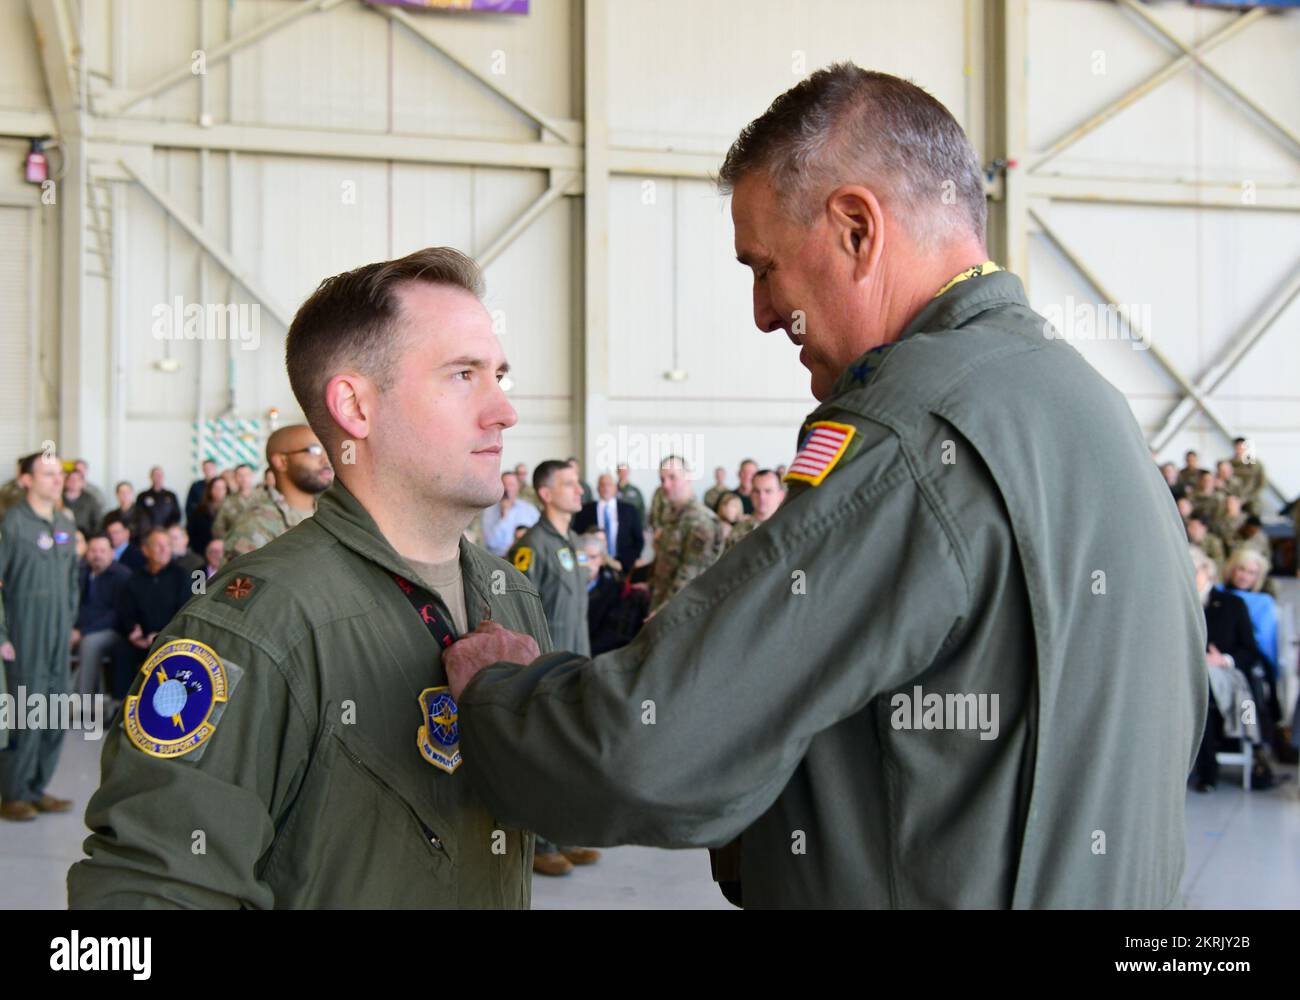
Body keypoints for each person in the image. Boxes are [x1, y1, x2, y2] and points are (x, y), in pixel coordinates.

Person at [440, 65, 1206, 909]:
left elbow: (653, 750)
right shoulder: (1091, 411)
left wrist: (498, 699)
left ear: (855, 228)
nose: (765, 312)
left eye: (765, 266)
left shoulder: (909, 433)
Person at [69, 246, 552, 909]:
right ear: (355, 407)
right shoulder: (255, 629)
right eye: (464, 374)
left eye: (500, 374)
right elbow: (150, 894)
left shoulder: (511, 598)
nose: (505, 410)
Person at [506, 460, 602, 878]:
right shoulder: (532, 545)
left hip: (576, 662)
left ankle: (564, 833)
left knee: (569, 751)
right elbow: (515, 607)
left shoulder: (574, 542)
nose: (579, 490)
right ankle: (539, 842)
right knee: (544, 754)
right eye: (568, 484)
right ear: (545, 494)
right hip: (544, 668)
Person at [0, 451, 80, 822]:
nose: (56, 479)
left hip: (57, 632)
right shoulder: (12, 524)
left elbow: (71, 580)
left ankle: (36, 786)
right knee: (26, 710)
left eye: (58, 474)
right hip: (23, 630)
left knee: (55, 709)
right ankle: (14, 793)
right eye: (47, 474)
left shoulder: (65, 522)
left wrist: (70, 622)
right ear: (26, 480)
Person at [1190, 546, 1274, 791]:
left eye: (1195, 570)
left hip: (1223, 675)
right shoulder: (1177, 603)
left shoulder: (1232, 604)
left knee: (1199, 690)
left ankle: (1208, 772)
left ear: (1207, 571)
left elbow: (1250, 651)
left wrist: (1224, 660)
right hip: (1188, 675)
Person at [222, 425, 334, 564]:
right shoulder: (255, 525)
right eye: (314, 450)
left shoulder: (331, 515)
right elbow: (238, 584)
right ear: (282, 462)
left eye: (327, 450)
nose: (326, 459)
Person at [109, 527, 194, 700]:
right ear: (145, 550)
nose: (164, 550)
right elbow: (124, 610)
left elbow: (186, 612)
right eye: (158, 545)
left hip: (170, 638)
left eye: (168, 545)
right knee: (120, 650)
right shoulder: (134, 578)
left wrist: (161, 634)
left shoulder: (182, 576)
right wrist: (133, 630)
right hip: (141, 641)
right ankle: (121, 706)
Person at [648, 456, 722, 615]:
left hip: (681, 614)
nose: (665, 485)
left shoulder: (700, 520)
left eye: (672, 477)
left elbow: (690, 576)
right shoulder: (672, 517)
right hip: (661, 605)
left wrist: (663, 612)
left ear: (688, 477)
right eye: (662, 479)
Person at [73, 535, 131, 699]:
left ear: (112, 553)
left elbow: (116, 615)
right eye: (93, 551)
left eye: (102, 551)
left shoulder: (122, 575)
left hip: (111, 631)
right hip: (79, 629)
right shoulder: (81, 573)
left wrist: (82, 632)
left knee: (90, 644)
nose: (97, 555)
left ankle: (82, 703)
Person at [573, 472, 644, 575]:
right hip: (593, 568)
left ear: (615, 488)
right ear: (597, 489)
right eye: (602, 484)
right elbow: (578, 538)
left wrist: (626, 563)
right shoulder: (585, 510)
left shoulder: (629, 510)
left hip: (623, 567)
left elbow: (638, 541)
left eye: (609, 484)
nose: (606, 488)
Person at [479, 471, 539, 558]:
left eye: (511, 484)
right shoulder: (489, 510)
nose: (507, 489)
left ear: (518, 487)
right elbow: (491, 543)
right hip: (500, 559)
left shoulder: (529, 509)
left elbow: (539, 535)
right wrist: (504, 516)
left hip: (527, 557)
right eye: (504, 484)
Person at [725, 468, 785, 552]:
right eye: (756, 491)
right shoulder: (738, 530)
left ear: (781, 496)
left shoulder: (788, 528)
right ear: (750, 495)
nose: (761, 497)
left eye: (768, 491)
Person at [212, 463, 257, 540]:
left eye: (247, 475)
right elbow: (218, 528)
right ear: (235, 477)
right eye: (240, 475)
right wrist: (230, 543)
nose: (244, 479)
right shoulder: (227, 501)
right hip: (235, 547)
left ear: (252, 476)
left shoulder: (265, 498)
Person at [186, 475, 228, 557]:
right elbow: (191, 533)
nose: (219, 491)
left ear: (226, 490)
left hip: (226, 555)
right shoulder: (200, 511)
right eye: (216, 487)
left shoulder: (232, 511)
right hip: (203, 554)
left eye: (222, 488)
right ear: (210, 490)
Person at [1229, 437, 1266, 517]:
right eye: (1237, 446)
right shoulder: (1229, 464)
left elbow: (1261, 482)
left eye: (1241, 446)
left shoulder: (1254, 463)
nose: (1239, 449)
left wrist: (1250, 496)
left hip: (1251, 500)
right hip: (1234, 499)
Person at [135, 466, 182, 530]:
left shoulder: (171, 495)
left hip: (167, 531)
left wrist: (168, 527)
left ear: (163, 477)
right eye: (156, 475)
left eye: (160, 475)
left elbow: (177, 514)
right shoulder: (142, 496)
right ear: (151, 477)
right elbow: (139, 515)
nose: (158, 477)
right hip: (149, 531)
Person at [62, 468, 103, 539]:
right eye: (71, 479)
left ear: (82, 483)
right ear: (65, 482)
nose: (74, 482)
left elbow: (97, 522)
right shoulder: (57, 498)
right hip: (62, 537)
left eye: (77, 480)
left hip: (85, 537)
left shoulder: (90, 499)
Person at [184, 458, 218, 525]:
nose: (208, 471)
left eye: (210, 468)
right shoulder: (196, 486)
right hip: (199, 523)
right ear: (203, 470)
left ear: (215, 469)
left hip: (217, 523)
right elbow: (189, 507)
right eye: (205, 469)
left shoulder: (222, 484)